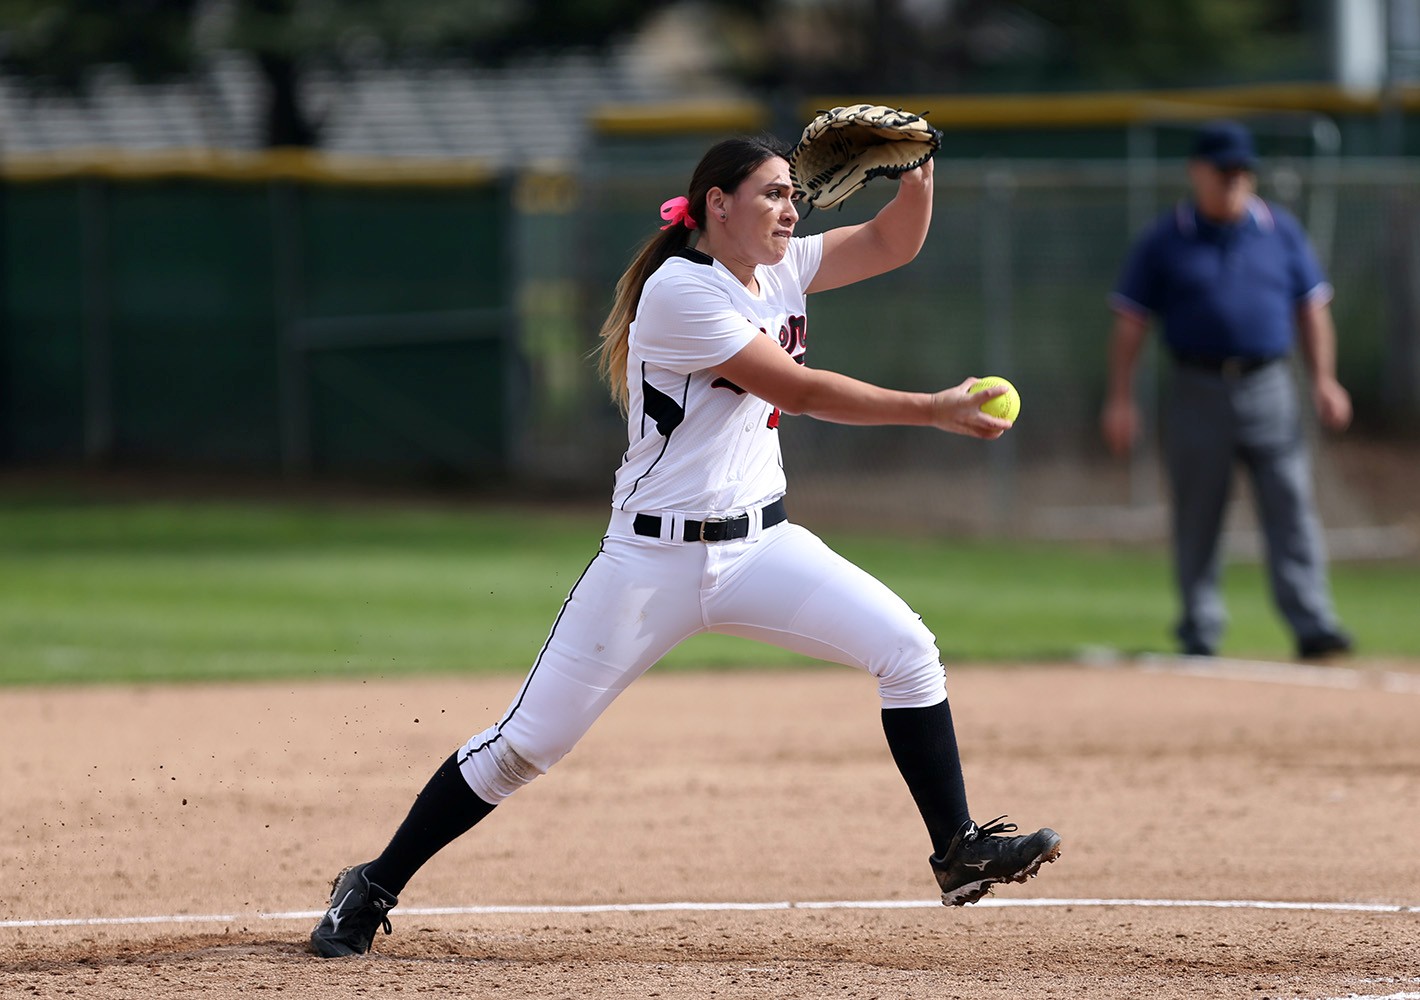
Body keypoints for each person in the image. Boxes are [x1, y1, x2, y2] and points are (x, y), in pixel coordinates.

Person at [309, 134, 1061, 958]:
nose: (791, 206)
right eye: (772, 193)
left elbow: (893, 240)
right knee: (526, 746)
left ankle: (956, 849)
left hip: (760, 550)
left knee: (909, 651)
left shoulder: (779, 267)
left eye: (792, 194)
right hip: (650, 564)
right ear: (717, 205)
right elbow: (798, 389)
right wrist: (933, 407)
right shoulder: (678, 291)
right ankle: (372, 883)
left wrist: (917, 167)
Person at [1101, 119, 1354, 661]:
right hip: (1196, 386)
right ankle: (1200, 626)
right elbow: (1130, 324)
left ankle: (1313, 623)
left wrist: (1325, 380)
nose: (1235, 180)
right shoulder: (1165, 239)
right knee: (1198, 512)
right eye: (1224, 171)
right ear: (1197, 172)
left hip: (1271, 385)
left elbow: (1312, 309)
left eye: (1243, 171)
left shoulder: (1280, 230)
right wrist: (1121, 398)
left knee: (1291, 505)